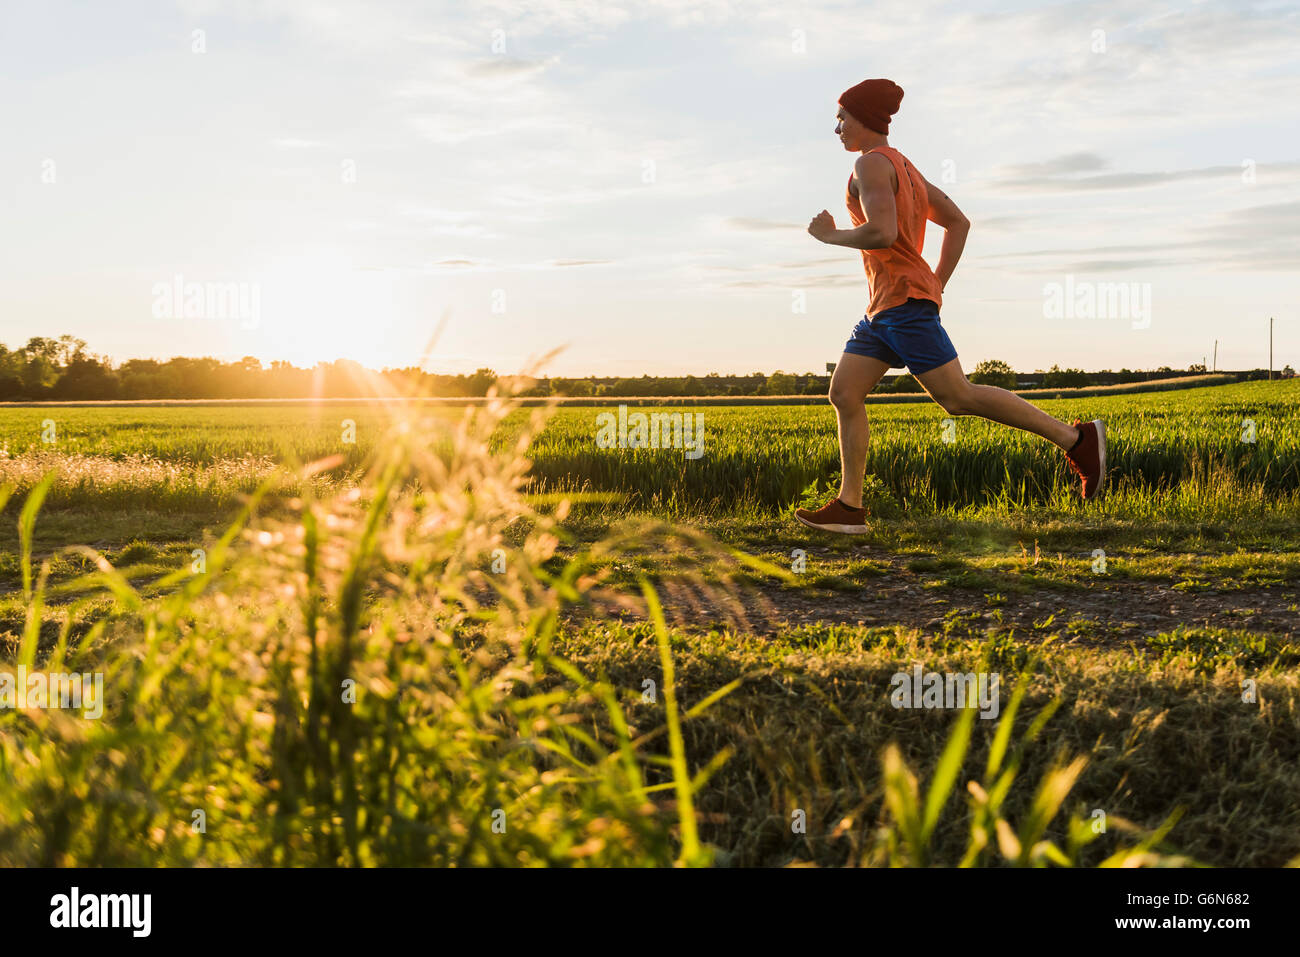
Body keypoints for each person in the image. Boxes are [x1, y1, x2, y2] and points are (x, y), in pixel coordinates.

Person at [796, 78, 1105, 535]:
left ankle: (1076, 440)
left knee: (957, 397)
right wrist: (934, 283)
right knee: (844, 392)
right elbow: (958, 222)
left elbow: (881, 233)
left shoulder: (871, 166)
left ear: (863, 118)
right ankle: (850, 508)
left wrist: (830, 236)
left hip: (902, 303)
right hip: (886, 308)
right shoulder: (906, 169)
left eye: (842, 117)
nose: (836, 127)